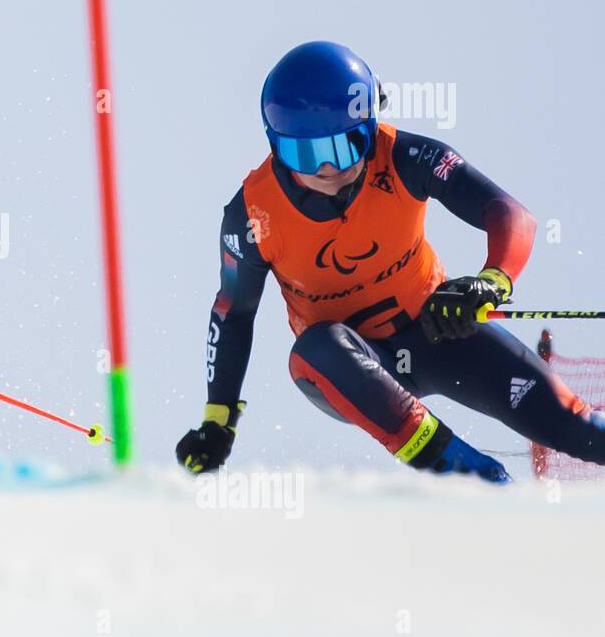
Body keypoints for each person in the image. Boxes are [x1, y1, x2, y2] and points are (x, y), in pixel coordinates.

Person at [178, 40, 605, 483]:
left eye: (347, 146)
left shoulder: (405, 157)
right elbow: (233, 313)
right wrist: (218, 419)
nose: (328, 168)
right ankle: (476, 478)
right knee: (316, 347)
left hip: (440, 334)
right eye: (305, 154)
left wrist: (492, 280)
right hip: (345, 370)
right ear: (275, 147)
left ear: (371, 124)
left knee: (580, 429)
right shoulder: (252, 215)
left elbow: (509, 213)